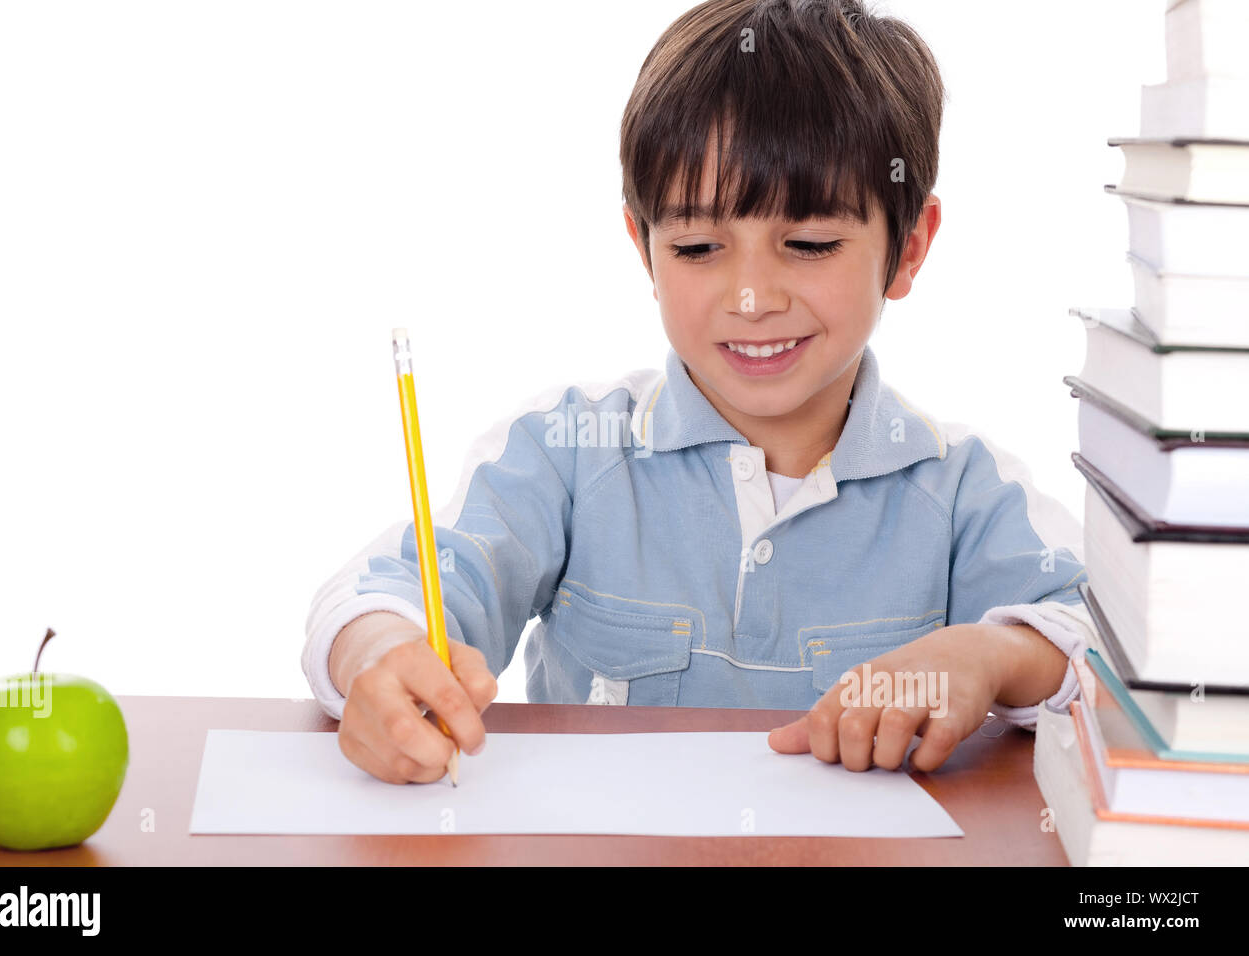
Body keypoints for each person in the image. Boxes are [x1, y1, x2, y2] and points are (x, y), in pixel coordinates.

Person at [302, 0, 1096, 785]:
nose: (750, 297)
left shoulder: (963, 490)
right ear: (643, 249)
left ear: (909, 248)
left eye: (810, 244)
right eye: (697, 246)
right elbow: (386, 589)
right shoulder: (567, 454)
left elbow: (1104, 649)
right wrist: (379, 654)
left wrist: (993, 655)